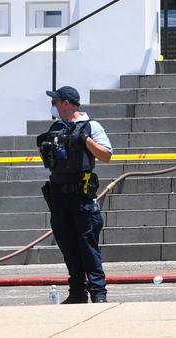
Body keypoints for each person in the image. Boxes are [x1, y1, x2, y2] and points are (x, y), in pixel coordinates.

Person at [37, 86, 113, 304]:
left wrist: (85, 140)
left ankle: (98, 293)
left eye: (55, 102)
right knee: (68, 247)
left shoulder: (91, 126)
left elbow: (106, 155)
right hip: (59, 197)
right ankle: (77, 292)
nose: (54, 106)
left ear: (66, 103)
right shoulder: (56, 128)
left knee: (88, 246)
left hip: (82, 197)